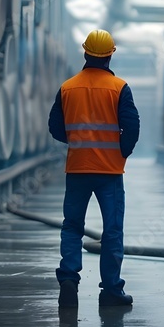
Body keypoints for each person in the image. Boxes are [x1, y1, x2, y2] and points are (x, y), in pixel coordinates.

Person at [48, 29, 139, 308]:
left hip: (77, 169)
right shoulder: (119, 88)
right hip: (110, 173)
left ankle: (68, 280)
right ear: (110, 55)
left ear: (85, 53)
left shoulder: (68, 87)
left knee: (72, 226)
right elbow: (132, 127)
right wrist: (121, 152)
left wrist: (76, 141)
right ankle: (111, 290)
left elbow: (55, 127)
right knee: (112, 230)